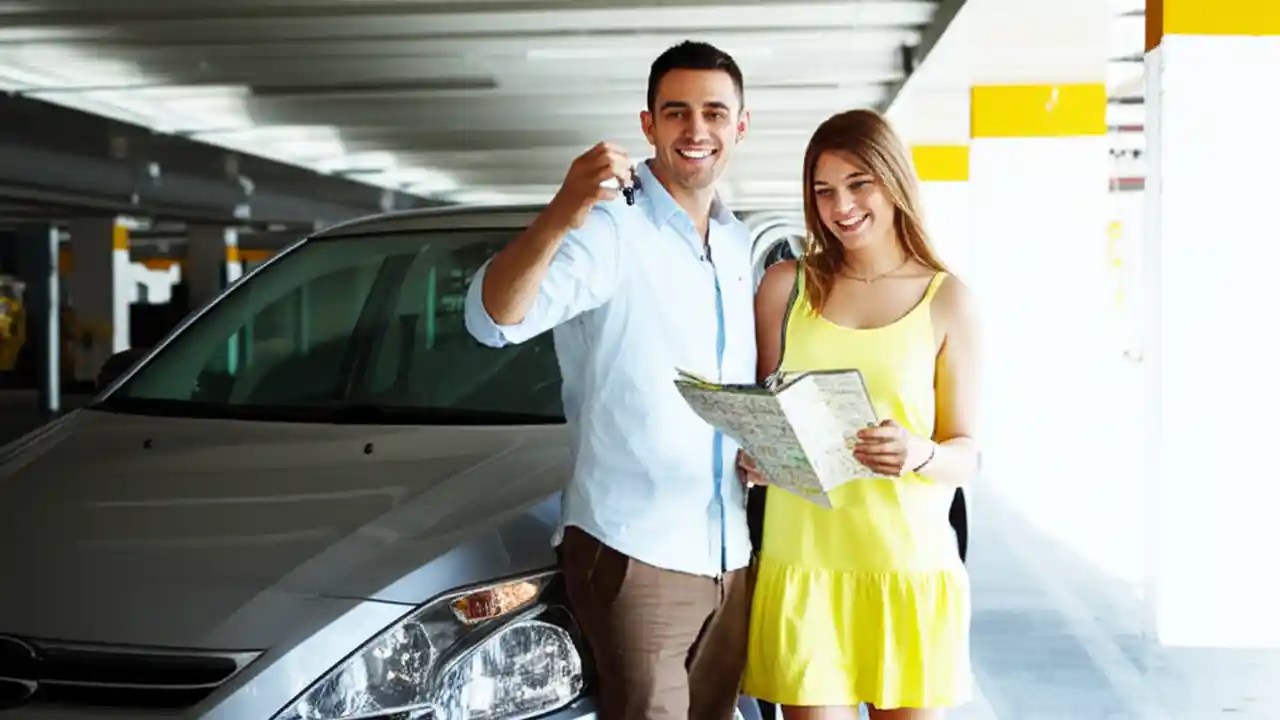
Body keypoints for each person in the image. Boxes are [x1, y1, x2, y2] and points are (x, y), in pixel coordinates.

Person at [464, 40, 756, 720]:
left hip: (729, 550)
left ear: (740, 126)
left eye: (715, 112)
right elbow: (492, 318)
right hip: (637, 548)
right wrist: (565, 206)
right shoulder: (608, 230)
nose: (696, 129)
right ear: (648, 125)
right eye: (676, 112)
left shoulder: (739, 247)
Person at [739, 109, 982, 719]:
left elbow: (966, 453)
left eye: (857, 184)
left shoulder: (947, 298)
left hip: (908, 568)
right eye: (823, 190)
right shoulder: (785, 288)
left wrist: (918, 452)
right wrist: (763, 455)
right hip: (806, 569)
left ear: (893, 180)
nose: (839, 205)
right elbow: (770, 412)